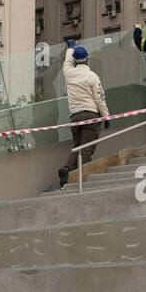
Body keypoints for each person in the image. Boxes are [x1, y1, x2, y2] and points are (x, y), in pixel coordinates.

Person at [56, 39, 111, 189]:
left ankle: (67, 169)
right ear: (87, 59)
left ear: (75, 60)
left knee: (78, 146)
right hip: (90, 116)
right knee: (87, 149)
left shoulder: (68, 72)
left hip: (75, 117)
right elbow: (99, 98)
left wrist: (70, 48)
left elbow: (67, 60)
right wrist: (106, 116)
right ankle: (83, 178)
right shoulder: (92, 76)